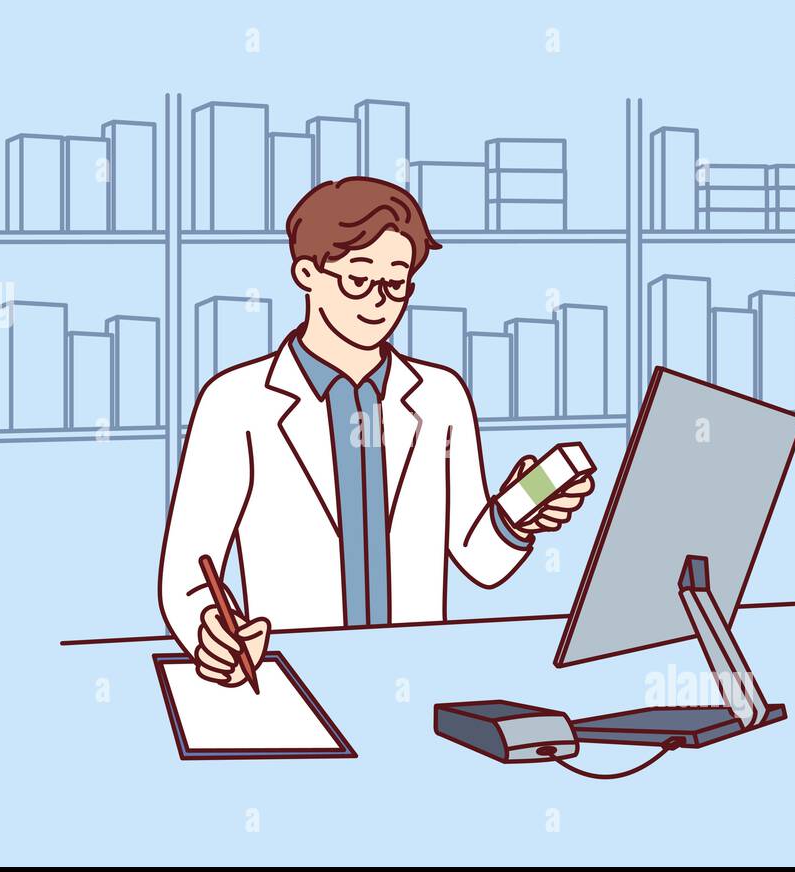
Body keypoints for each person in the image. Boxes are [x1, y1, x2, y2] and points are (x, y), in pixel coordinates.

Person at [158, 177, 594, 686]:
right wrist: (211, 631)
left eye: (396, 284)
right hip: (294, 675)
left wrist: (520, 515)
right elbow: (189, 573)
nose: (378, 303)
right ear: (306, 273)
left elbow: (479, 562)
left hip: (422, 678)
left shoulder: (440, 396)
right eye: (357, 281)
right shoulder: (235, 402)